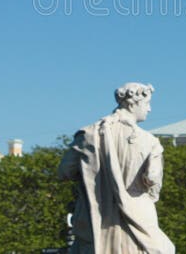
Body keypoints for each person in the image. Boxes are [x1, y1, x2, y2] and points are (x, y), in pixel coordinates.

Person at [59, 83, 175, 254]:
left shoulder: (88, 135)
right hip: (138, 224)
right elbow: (152, 180)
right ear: (133, 103)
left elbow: (64, 172)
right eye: (147, 103)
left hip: (95, 224)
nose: (149, 109)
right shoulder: (150, 142)